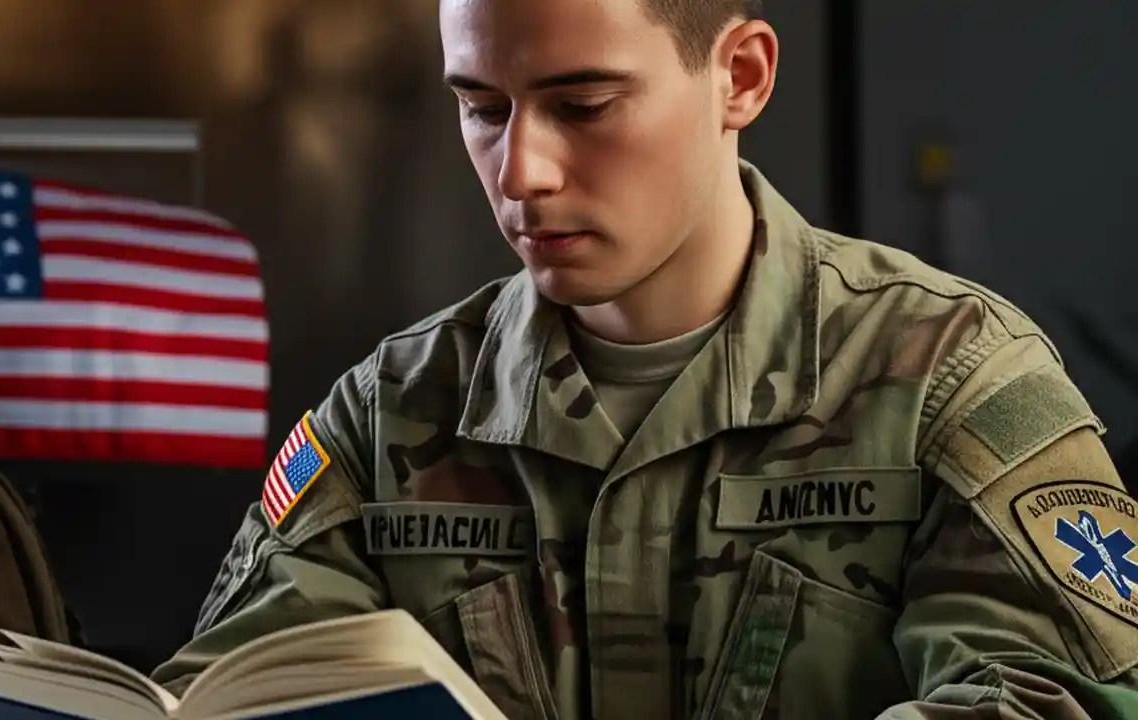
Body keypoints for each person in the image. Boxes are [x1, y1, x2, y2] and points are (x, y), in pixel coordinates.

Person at [151, 1, 1138, 717]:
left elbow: (1056, 699)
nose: (520, 173)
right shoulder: (393, 412)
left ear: (739, 77)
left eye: (581, 105)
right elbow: (230, 690)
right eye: (483, 109)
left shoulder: (946, 377)